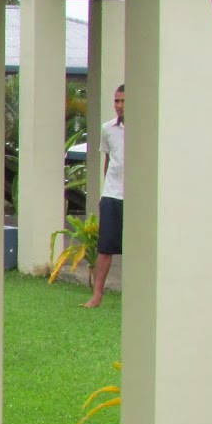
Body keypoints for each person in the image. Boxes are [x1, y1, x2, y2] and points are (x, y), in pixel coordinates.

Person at [86, 85, 125, 308]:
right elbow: (108, 162)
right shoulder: (107, 129)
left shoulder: (144, 128)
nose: (119, 106)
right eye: (116, 101)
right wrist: (104, 193)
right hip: (112, 195)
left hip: (136, 197)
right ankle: (97, 295)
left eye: (123, 101)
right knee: (105, 247)